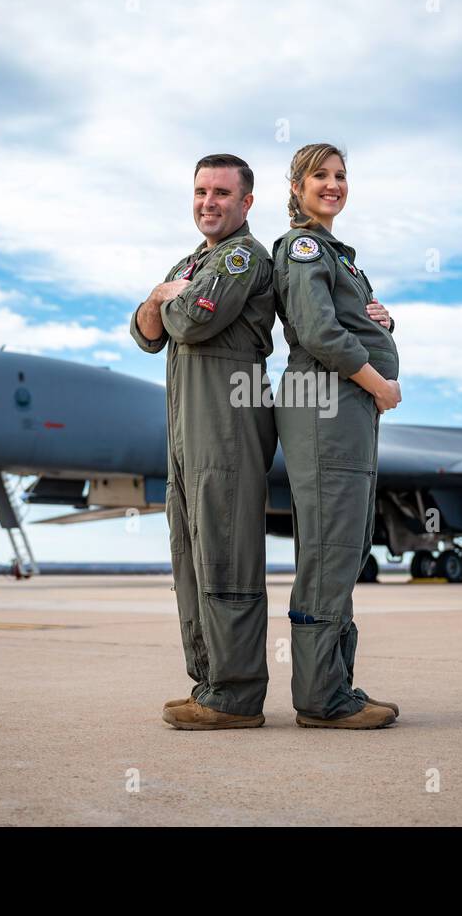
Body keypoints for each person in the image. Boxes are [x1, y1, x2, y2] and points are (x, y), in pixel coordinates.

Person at [130, 154, 277, 730]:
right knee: (189, 557)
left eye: (221, 192)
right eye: (200, 191)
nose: (208, 202)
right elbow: (145, 332)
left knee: (226, 557)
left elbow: (190, 323)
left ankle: (237, 695)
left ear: (246, 202)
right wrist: (158, 298)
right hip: (187, 429)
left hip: (228, 424)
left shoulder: (245, 256)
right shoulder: (191, 263)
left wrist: (167, 302)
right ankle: (209, 684)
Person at [272, 143, 402, 729]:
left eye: (341, 175)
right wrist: (379, 383)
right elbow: (319, 333)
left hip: (344, 410)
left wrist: (383, 321)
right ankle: (322, 699)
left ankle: (336, 686)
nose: (333, 184)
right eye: (319, 176)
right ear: (296, 187)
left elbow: (346, 318)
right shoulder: (303, 248)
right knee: (328, 550)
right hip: (328, 406)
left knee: (343, 547)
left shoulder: (337, 255)